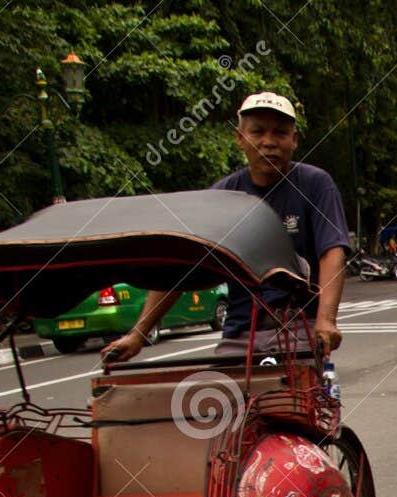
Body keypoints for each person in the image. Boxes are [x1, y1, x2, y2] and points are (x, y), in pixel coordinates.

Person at [102, 92, 350, 364]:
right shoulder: (222, 196)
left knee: (296, 401)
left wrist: (326, 321)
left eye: (280, 133)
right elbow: (183, 265)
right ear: (240, 138)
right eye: (258, 132)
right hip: (240, 333)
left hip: (301, 327)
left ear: (294, 139)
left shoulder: (315, 184)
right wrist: (138, 334)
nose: (269, 142)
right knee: (216, 397)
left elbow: (332, 251)